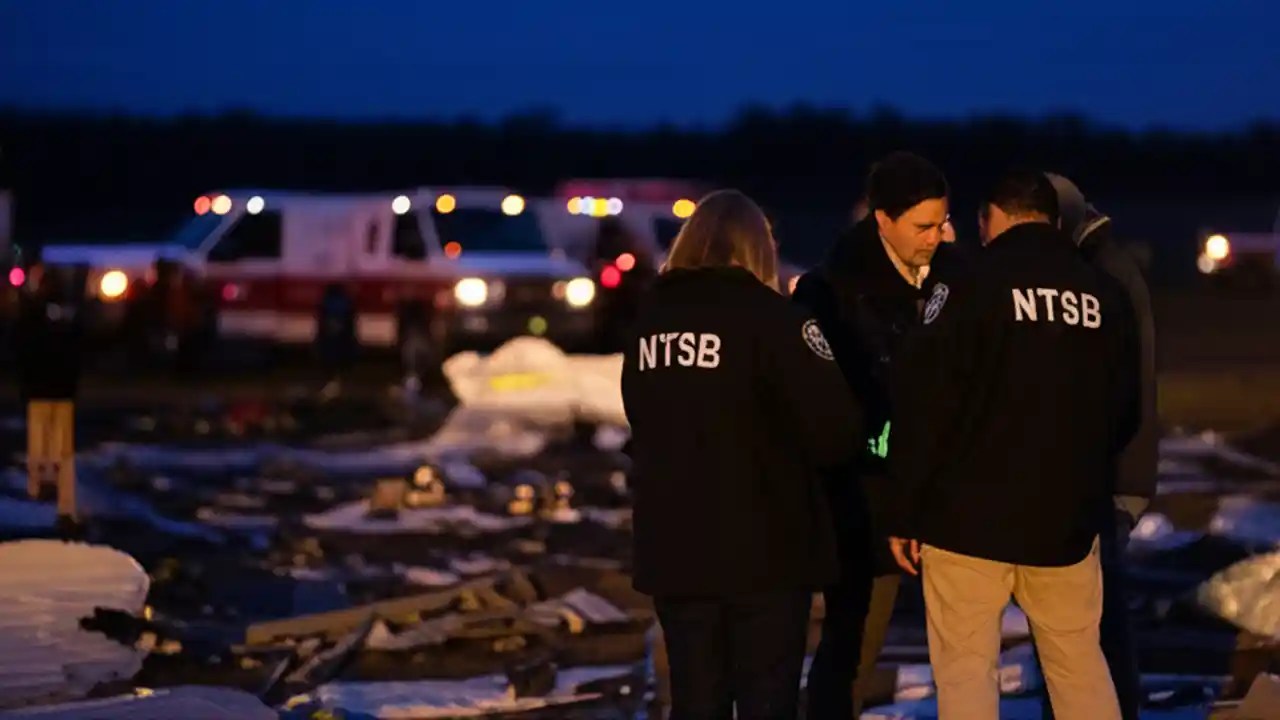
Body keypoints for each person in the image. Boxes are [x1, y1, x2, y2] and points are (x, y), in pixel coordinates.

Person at [886, 169, 1139, 720]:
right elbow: (1125, 411)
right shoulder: (1103, 295)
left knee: (966, 672)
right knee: (1078, 665)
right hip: (1066, 521)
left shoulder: (966, 287)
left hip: (966, 522)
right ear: (1051, 219)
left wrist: (904, 508)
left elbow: (922, 404)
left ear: (991, 219)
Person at [621, 189, 863, 719]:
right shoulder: (778, 321)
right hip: (766, 552)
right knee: (767, 702)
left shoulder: (649, 324)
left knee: (694, 700)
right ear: (758, 249)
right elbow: (837, 433)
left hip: (675, 549)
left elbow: (642, 419)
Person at [792, 151, 968, 719]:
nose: (936, 237)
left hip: (946, 487)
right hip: (867, 492)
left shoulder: (954, 277)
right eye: (922, 226)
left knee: (967, 646)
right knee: (853, 640)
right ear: (881, 220)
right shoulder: (831, 295)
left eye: (942, 223)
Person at [1036, 173, 1157, 720]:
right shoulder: (1109, 266)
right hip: (1115, 470)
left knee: (1093, 625)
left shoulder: (1097, 274)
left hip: (1103, 476)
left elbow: (1116, 387)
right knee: (1095, 622)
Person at [15, 256, 86, 521]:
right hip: (62, 388)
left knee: (39, 445)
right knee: (61, 448)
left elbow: (22, 346)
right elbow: (78, 346)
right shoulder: (68, 314)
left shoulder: (32, 313)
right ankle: (63, 501)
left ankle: (39, 496)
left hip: (39, 387)